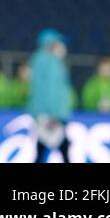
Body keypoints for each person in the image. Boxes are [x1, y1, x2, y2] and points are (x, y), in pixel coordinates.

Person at [26, 28, 73, 162]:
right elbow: (51, 91)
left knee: (43, 149)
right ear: (51, 44)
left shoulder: (38, 60)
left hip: (44, 113)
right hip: (51, 116)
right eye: (59, 42)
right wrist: (54, 115)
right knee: (62, 148)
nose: (62, 46)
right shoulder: (51, 62)